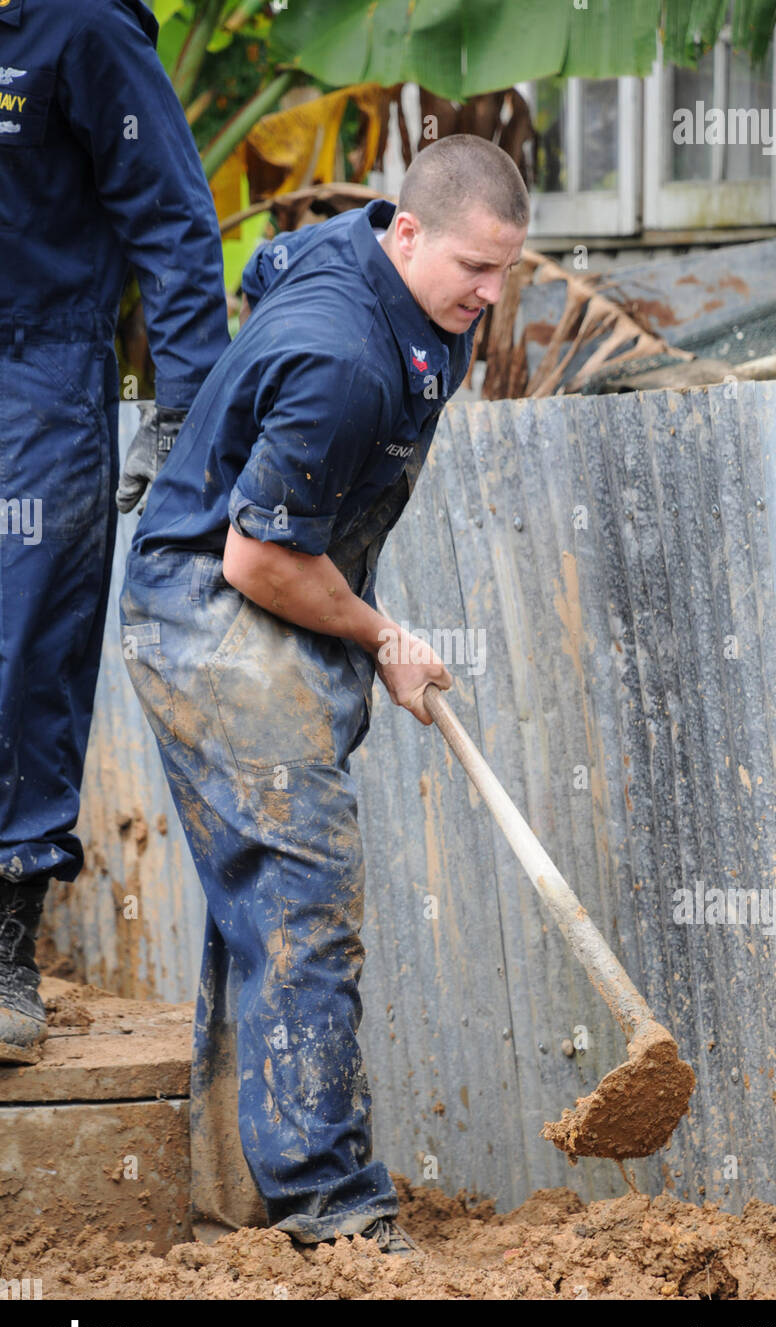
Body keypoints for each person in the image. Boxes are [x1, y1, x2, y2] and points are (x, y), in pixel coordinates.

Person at [120, 133, 528, 1253]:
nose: (488, 298)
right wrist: (382, 634)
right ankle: (332, 1210)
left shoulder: (383, 268)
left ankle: (235, 1198)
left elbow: (274, 265)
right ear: (405, 233)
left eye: (504, 272)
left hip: (277, 593)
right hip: (211, 605)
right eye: (471, 273)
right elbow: (257, 560)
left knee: (266, 900)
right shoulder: (342, 362)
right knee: (303, 898)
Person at [0, 0, 230, 1062]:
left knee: (24, 647)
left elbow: (173, 214)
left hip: (39, 377)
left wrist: (184, 404)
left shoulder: (82, 27)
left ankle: (6, 953)